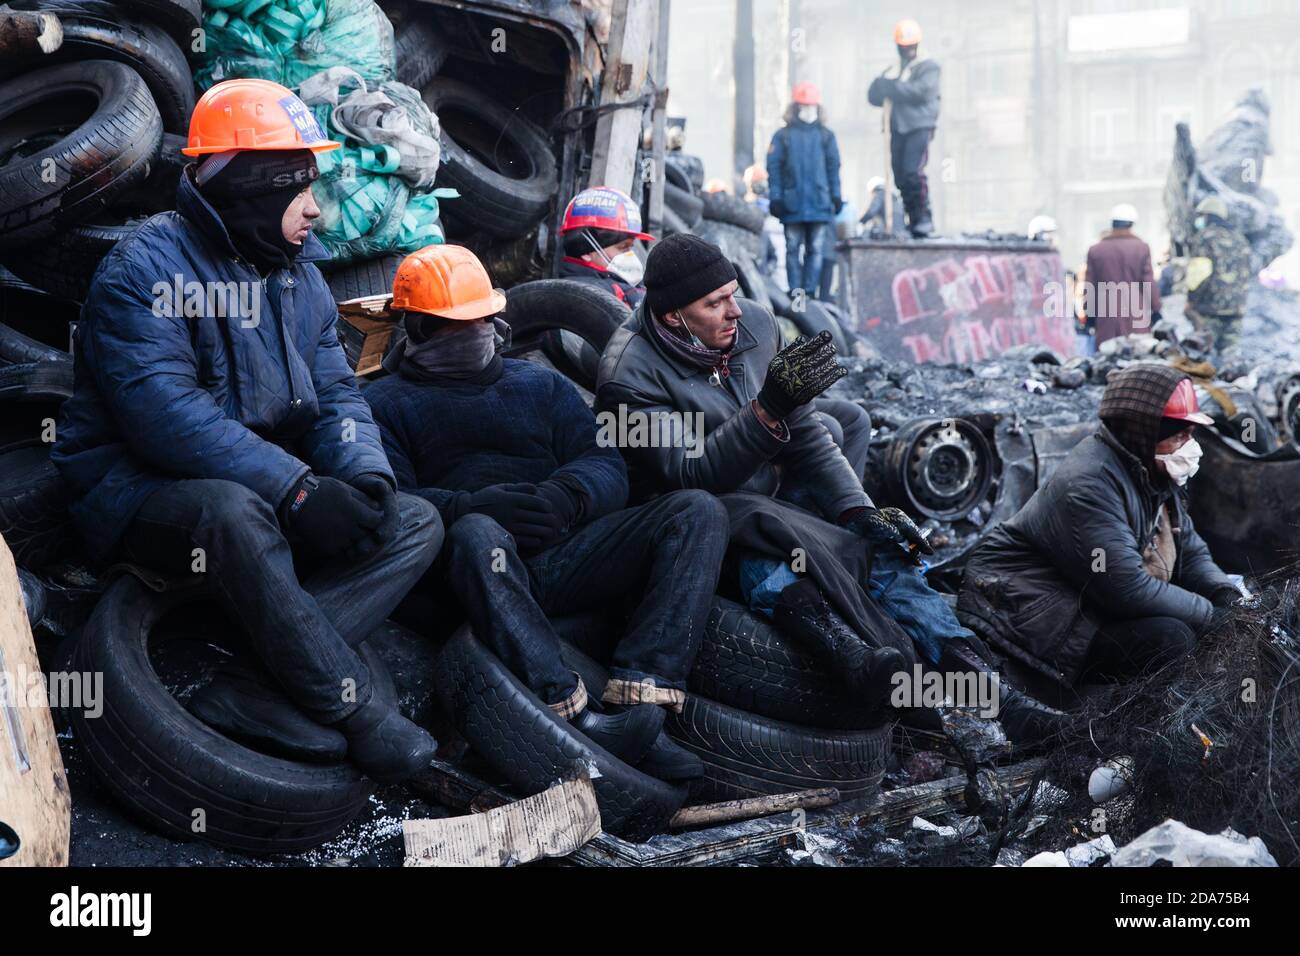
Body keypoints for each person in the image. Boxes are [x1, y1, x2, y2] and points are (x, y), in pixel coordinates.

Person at [50, 79, 442, 781]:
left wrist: (362, 476)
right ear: (255, 188)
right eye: (301, 189)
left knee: (413, 519)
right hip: (140, 489)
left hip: (263, 484)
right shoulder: (144, 269)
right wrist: (297, 489)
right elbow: (164, 417)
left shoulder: (300, 278)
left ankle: (253, 688)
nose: (316, 209)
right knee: (232, 511)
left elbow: (335, 393)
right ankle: (352, 707)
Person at [595, 234, 1068, 746]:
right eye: (715, 303)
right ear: (673, 316)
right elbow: (690, 474)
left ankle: (997, 694)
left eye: (733, 293)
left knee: (877, 552)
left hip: (764, 500)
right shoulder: (628, 372)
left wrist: (857, 510)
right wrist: (765, 411)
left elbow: (807, 432)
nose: (734, 310)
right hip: (694, 525)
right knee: (770, 552)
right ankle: (861, 661)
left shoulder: (756, 325)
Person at [365, 245, 731, 782]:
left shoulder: (539, 384)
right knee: (477, 533)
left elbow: (605, 461)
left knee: (696, 510)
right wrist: (465, 506)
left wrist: (567, 496)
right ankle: (571, 712)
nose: (475, 332)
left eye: (482, 319)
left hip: (562, 556)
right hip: (466, 576)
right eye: (456, 324)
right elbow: (388, 503)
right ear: (418, 328)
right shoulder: (382, 403)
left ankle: (642, 705)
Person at [958, 365, 1239, 687]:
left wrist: (1225, 595)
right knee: (1171, 638)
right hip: (1029, 610)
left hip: (1086, 597)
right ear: (1145, 433)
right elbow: (1126, 588)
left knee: (1194, 622)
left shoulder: (1153, 472)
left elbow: (1189, 549)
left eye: (1191, 433)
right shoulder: (1090, 483)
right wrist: (1210, 615)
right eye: (1179, 435)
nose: (1189, 445)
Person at [766, 81, 843, 299]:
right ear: (795, 107)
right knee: (792, 248)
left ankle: (808, 292)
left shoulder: (826, 136)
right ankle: (797, 293)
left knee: (815, 249)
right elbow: (774, 168)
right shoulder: (782, 136)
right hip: (792, 203)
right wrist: (776, 197)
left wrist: (836, 195)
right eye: (804, 105)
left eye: (811, 105)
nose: (808, 109)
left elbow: (833, 168)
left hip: (819, 203)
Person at [867, 18, 940, 238]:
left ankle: (923, 219)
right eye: (904, 47)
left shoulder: (928, 67)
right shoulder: (894, 70)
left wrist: (892, 88)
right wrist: (881, 87)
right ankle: (912, 218)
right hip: (896, 127)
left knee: (912, 171)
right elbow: (874, 96)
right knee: (899, 175)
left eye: (912, 46)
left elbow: (920, 92)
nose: (909, 50)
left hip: (919, 126)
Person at [558, 185, 651, 308]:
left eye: (630, 248)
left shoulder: (554, 290)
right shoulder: (597, 296)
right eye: (622, 248)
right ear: (586, 251)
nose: (630, 256)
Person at [1084, 203, 1161, 346]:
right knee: (1138, 355)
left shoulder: (1096, 250)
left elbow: (1090, 286)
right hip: (1136, 317)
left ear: (1112, 224)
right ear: (1131, 224)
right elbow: (1148, 282)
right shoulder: (1141, 248)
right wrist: (1156, 310)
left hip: (1107, 317)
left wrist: (1090, 315)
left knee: (1106, 356)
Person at [1185, 195, 1252, 350]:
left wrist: (1191, 300)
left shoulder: (1205, 237)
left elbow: (1199, 274)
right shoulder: (1239, 238)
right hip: (1236, 307)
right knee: (1230, 352)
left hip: (1210, 308)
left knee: (1204, 353)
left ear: (1208, 216)